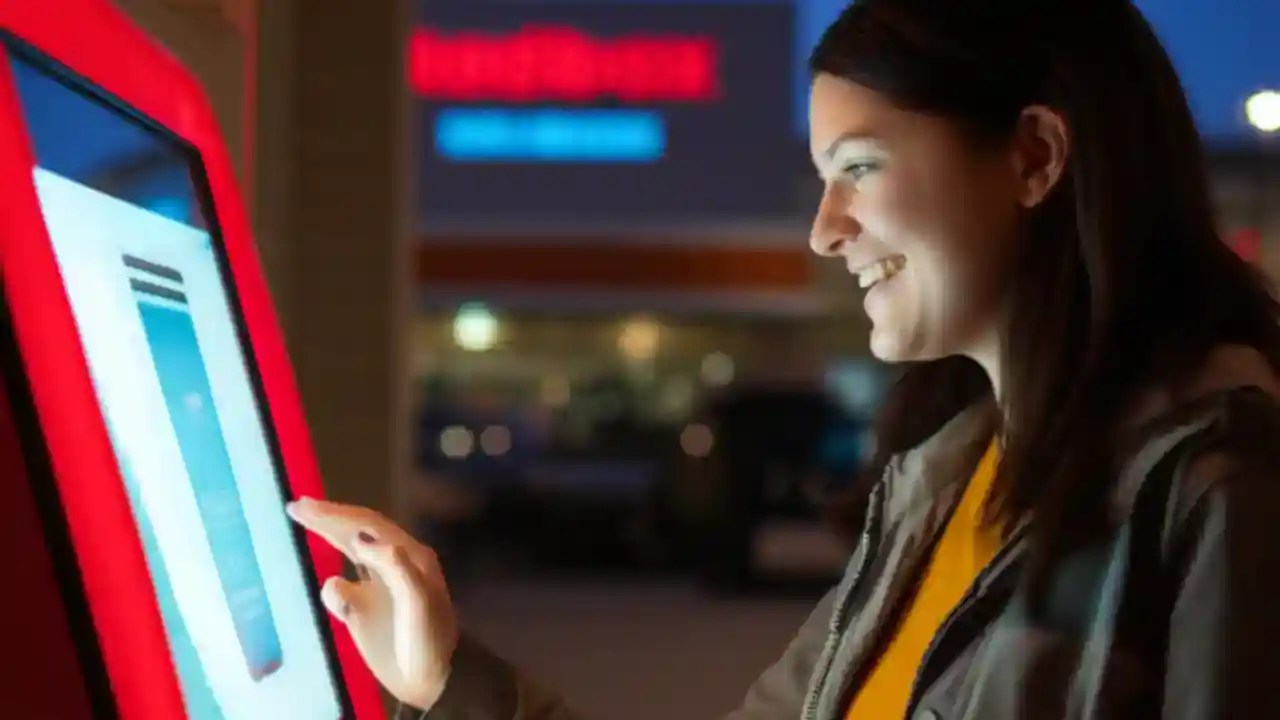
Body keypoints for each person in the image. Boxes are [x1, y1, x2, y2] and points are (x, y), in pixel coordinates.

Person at [286, 0, 1280, 717]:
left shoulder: (1217, 492)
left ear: (1032, 158)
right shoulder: (938, 485)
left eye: (856, 168)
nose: (821, 229)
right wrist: (447, 679)